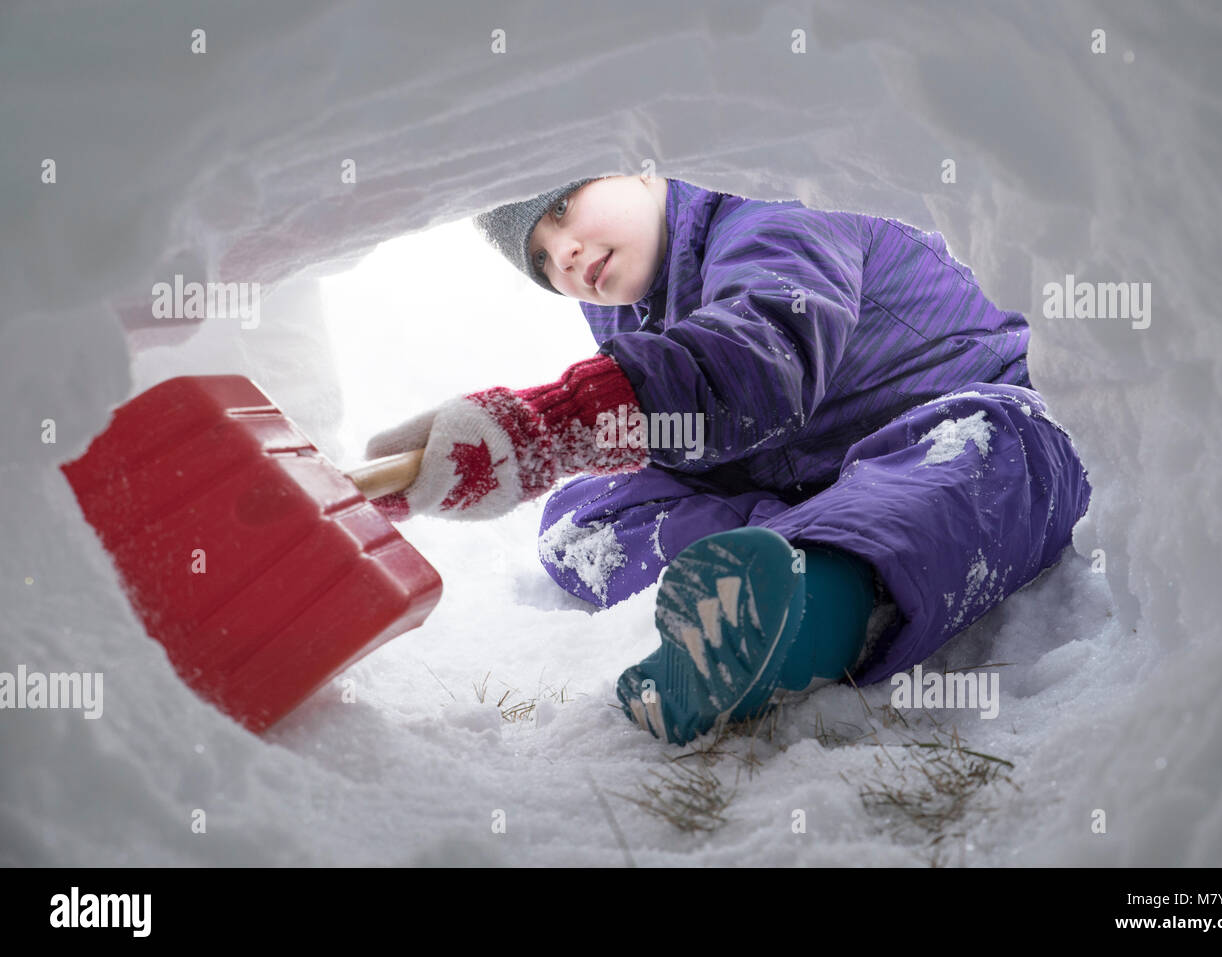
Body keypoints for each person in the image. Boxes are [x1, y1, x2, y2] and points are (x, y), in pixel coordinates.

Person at [364, 173, 1092, 745]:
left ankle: (809, 606)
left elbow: (762, 357)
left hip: (973, 403)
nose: (566, 256)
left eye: (561, 208)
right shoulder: (629, 304)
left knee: (987, 451)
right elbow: (693, 421)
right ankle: (758, 569)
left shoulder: (776, 194)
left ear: (640, 163)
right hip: (811, 466)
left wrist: (548, 428)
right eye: (542, 262)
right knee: (581, 518)